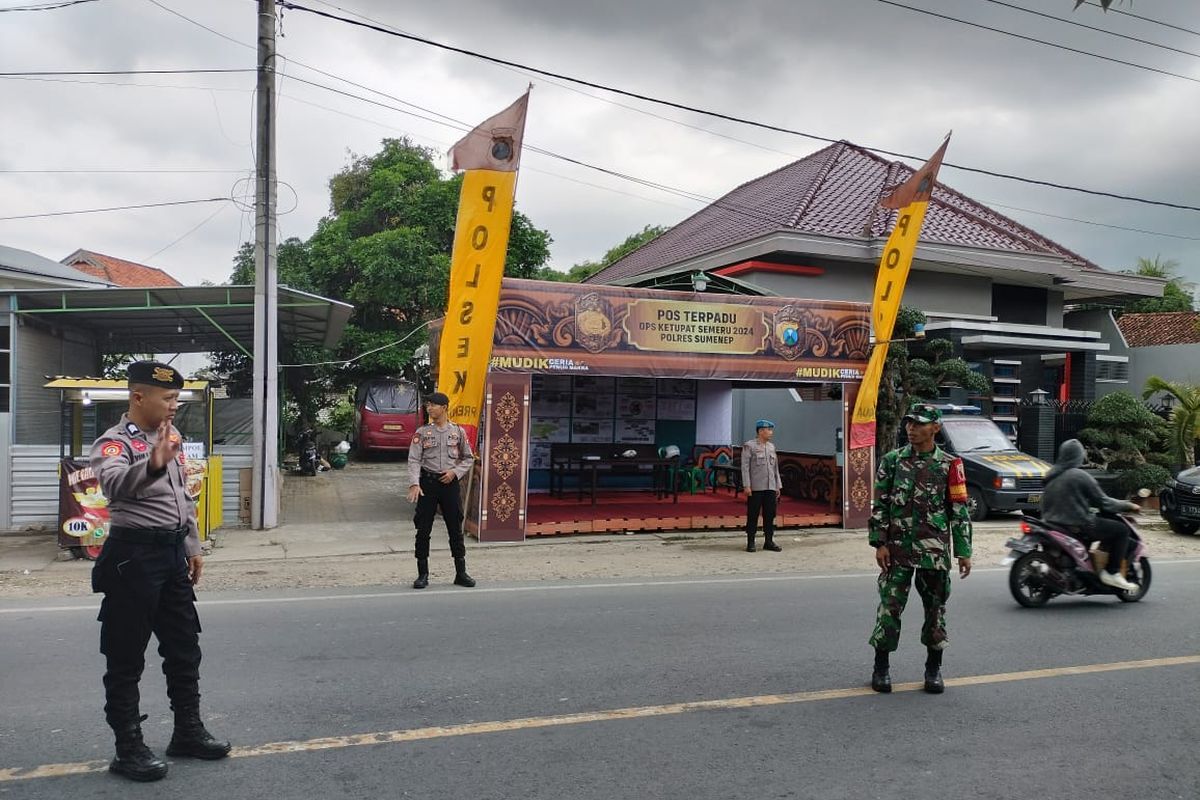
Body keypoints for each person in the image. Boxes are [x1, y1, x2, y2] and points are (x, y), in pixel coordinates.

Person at [89, 361, 230, 782]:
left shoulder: (169, 438)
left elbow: (182, 497)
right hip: (132, 558)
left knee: (184, 647)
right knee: (126, 655)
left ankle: (187, 731)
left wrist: (192, 545)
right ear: (137, 397)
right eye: (167, 398)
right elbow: (114, 485)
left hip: (171, 556)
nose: (174, 406)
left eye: (176, 398)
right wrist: (153, 461)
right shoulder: (113, 443)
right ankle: (128, 747)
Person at [868, 403, 973, 695]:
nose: (911, 429)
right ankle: (881, 667)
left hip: (934, 551)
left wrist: (964, 550)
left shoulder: (951, 465)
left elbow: (959, 510)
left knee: (935, 611)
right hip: (897, 550)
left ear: (935, 428)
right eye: (909, 423)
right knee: (889, 609)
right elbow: (881, 505)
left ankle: (933, 669)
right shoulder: (891, 461)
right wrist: (879, 543)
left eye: (919, 424)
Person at [1040, 438, 1140, 592]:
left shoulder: (1051, 475)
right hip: (1079, 525)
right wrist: (1128, 505)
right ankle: (1112, 572)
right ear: (1079, 456)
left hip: (1051, 524)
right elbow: (1104, 502)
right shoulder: (1079, 475)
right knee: (1121, 530)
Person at [406, 391, 476, 589]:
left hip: (449, 485)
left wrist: (455, 472)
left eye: (433, 405)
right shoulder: (422, 433)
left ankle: (461, 572)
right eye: (428, 405)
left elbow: (468, 458)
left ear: (444, 407)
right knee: (423, 528)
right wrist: (414, 483)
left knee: (455, 527)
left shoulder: (458, 432)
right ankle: (423, 574)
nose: (429, 408)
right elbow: (413, 459)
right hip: (428, 484)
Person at [741, 419, 783, 553]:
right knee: (753, 514)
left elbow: (775, 468)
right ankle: (751, 541)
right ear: (760, 431)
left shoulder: (771, 447)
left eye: (771, 430)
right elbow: (745, 467)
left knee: (770, 514)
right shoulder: (750, 446)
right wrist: (747, 485)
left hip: (770, 486)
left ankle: (769, 541)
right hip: (756, 487)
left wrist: (777, 485)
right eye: (768, 430)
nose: (771, 432)